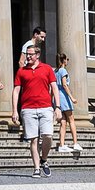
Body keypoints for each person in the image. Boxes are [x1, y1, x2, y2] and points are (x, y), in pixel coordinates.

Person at [13, 45, 57, 177]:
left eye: (31, 54)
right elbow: (16, 91)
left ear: (37, 55)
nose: (28, 56)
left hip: (45, 107)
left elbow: (54, 87)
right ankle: (36, 168)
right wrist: (15, 110)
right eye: (27, 54)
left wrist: (58, 107)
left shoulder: (47, 68)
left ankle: (44, 159)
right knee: (33, 139)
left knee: (48, 136)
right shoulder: (21, 71)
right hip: (28, 108)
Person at [52, 55, 81, 154]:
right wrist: (72, 97)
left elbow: (52, 87)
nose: (68, 61)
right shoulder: (63, 71)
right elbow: (64, 84)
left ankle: (62, 144)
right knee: (71, 119)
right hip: (64, 96)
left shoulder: (55, 72)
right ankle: (75, 143)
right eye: (67, 59)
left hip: (57, 97)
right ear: (64, 60)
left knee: (63, 122)